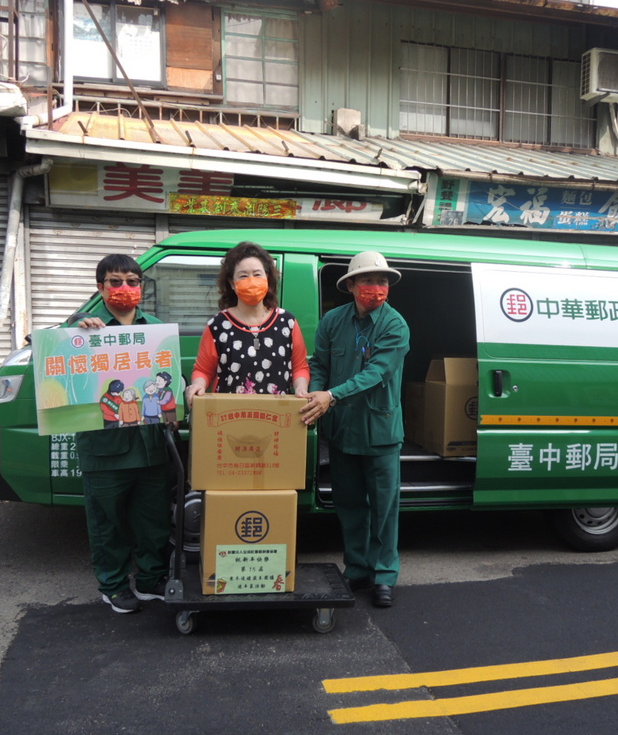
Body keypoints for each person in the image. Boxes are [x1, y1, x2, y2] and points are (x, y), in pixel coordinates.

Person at [299, 251, 410, 608]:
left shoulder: (395, 325)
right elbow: (320, 363)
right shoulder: (333, 320)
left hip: (380, 433)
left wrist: (331, 395)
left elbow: (378, 371)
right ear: (350, 285)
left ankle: (384, 574)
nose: (376, 288)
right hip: (343, 431)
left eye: (382, 282)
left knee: (384, 507)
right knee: (349, 505)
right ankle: (358, 567)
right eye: (368, 281)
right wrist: (313, 393)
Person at [69, 253, 174, 615]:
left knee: (154, 520)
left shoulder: (156, 329)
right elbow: (51, 353)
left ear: (141, 287)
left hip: (150, 447)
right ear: (100, 287)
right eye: (115, 282)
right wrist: (78, 322)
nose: (124, 289)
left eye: (132, 281)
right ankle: (112, 585)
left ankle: (150, 580)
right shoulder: (81, 330)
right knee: (107, 523)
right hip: (105, 450)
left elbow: (167, 381)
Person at [185, 241, 310, 407]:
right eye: (243, 276)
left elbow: (300, 367)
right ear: (232, 283)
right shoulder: (218, 325)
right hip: (230, 416)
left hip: (277, 418)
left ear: (268, 278)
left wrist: (301, 388)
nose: (251, 281)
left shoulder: (287, 322)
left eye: (257, 274)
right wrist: (198, 386)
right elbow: (203, 370)